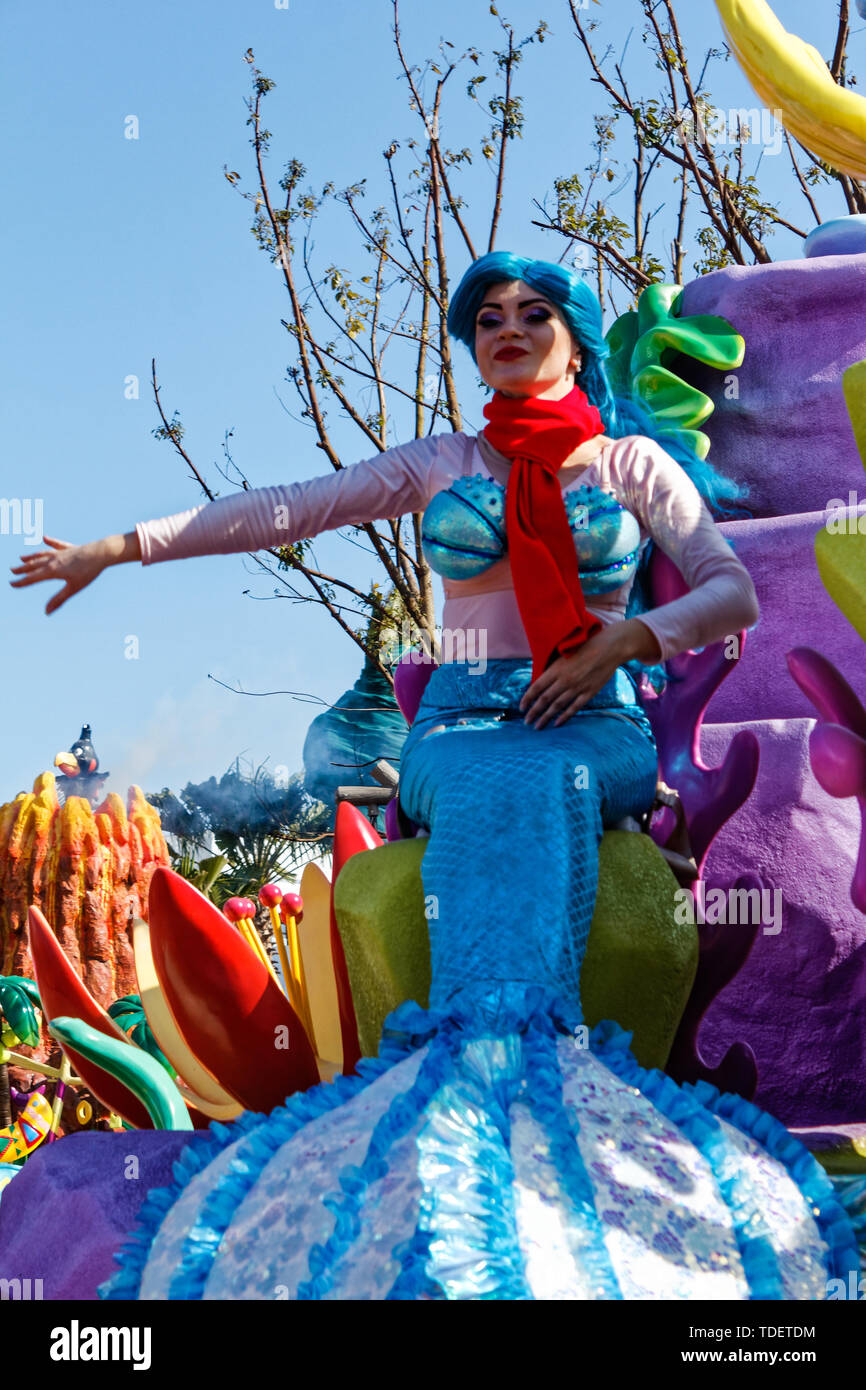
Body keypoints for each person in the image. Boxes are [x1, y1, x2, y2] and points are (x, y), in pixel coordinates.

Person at [10, 254, 860, 1301]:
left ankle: (530, 1070)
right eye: (486, 318)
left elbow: (729, 594)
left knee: (541, 778)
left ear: (573, 334)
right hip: (458, 724)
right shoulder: (442, 460)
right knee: (488, 775)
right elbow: (287, 508)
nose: (506, 328)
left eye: (531, 313)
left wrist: (617, 643)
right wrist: (118, 547)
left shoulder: (630, 466)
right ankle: (471, 1067)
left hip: (591, 717)